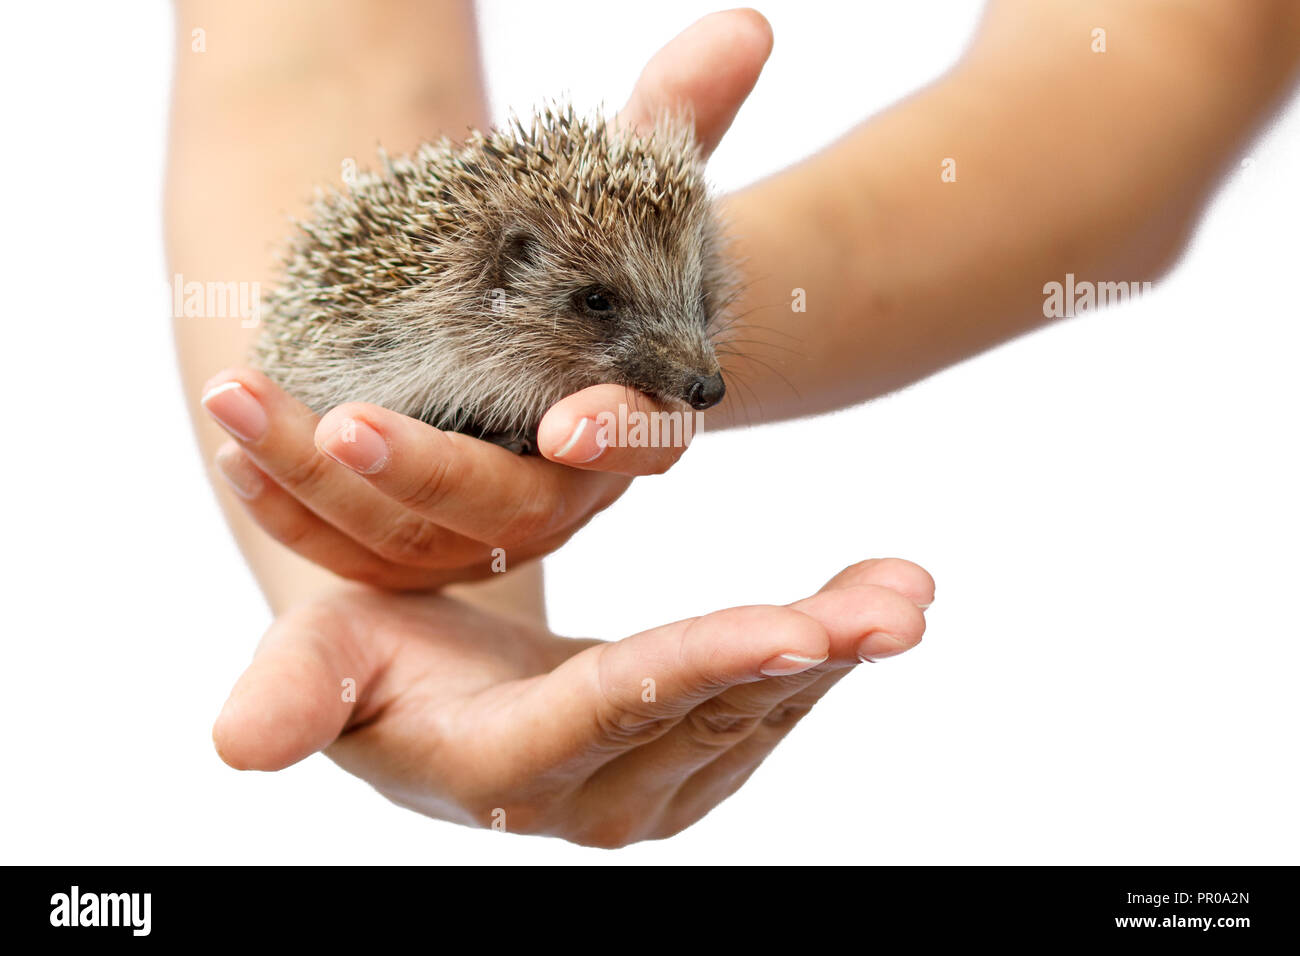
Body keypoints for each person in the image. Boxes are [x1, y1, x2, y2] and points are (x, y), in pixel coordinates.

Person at [168, 1, 1300, 846]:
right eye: (596, 306)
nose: (696, 376)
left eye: (699, 307)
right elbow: (314, 53)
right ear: (503, 282)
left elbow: (1155, 58)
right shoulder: (457, 294)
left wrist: (676, 279)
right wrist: (409, 569)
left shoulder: (633, 290)